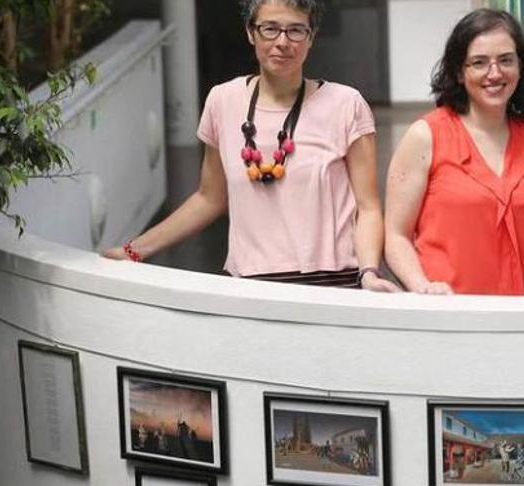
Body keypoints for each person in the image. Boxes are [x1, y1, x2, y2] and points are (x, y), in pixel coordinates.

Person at [101, 0, 398, 291]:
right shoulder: (223, 101)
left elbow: (368, 206)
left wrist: (369, 272)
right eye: (270, 28)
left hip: (332, 284)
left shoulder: (345, 104)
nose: (283, 42)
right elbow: (209, 198)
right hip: (250, 287)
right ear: (250, 32)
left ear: (312, 37)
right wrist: (133, 250)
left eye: (296, 30)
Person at [383, 9, 524, 297]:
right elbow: (396, 235)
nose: (495, 73)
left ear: (521, 66)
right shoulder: (426, 135)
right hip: (445, 312)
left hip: (523, 314)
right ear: (460, 72)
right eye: (479, 63)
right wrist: (422, 287)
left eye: (506, 60)